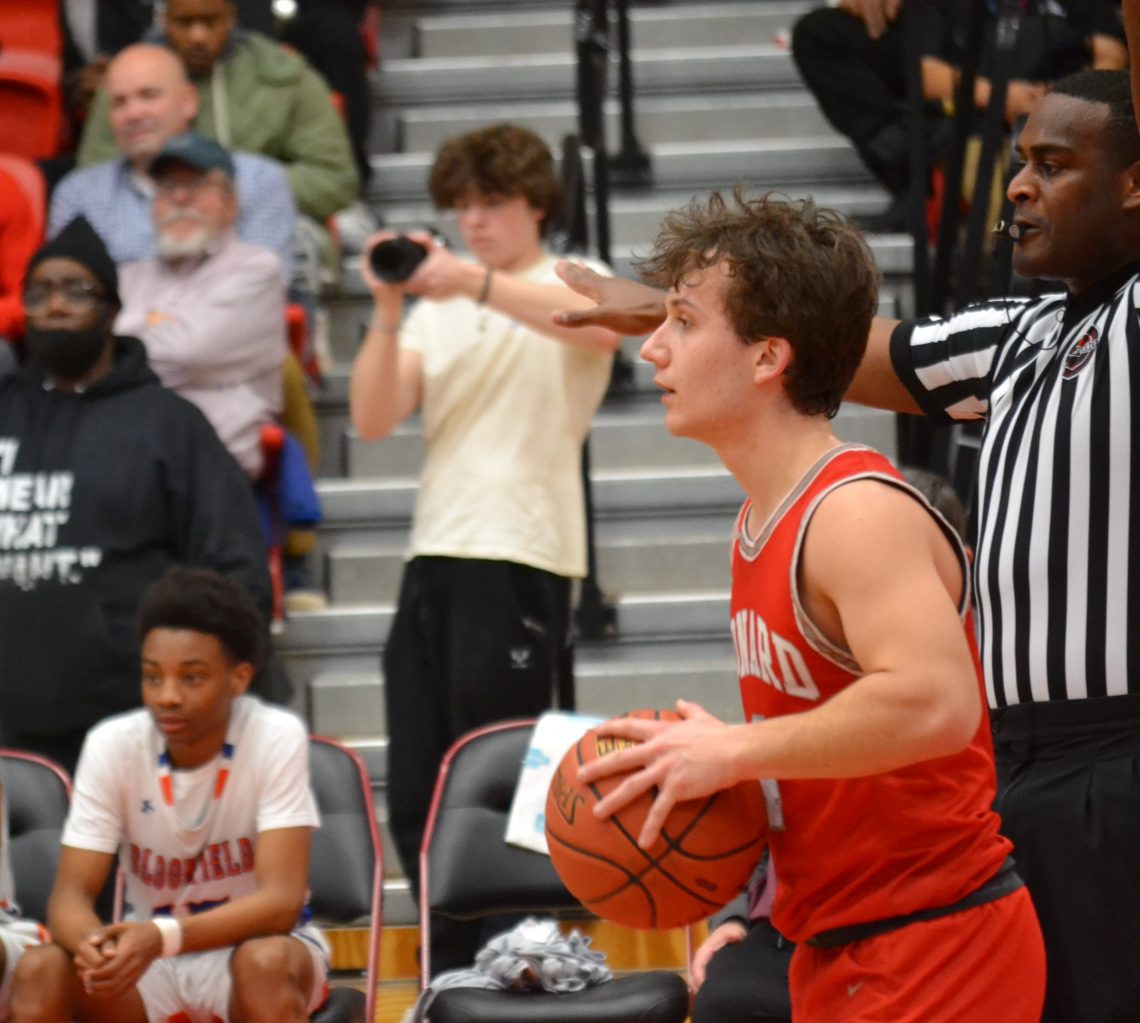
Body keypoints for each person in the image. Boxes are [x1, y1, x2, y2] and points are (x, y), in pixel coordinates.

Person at [554, 64, 1140, 1023]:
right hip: (997, 783)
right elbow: (827, 338)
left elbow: (931, 700)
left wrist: (736, 751)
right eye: (1019, 160)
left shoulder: (858, 509)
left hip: (1112, 746)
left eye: (1053, 162)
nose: (1018, 185)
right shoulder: (1017, 336)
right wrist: (666, 306)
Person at [348, 123, 622, 971]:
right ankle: (446, 967)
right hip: (436, 549)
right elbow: (372, 417)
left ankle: (516, 962)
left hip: (524, 552)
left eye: (491, 203)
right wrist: (392, 307)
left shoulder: (573, 279)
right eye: (461, 206)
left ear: (536, 203)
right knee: (422, 776)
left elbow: (600, 326)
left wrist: (468, 279)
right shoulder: (440, 303)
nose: (473, 221)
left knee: (500, 775)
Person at [0, 214, 283, 774]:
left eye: (75, 290)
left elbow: (235, 573)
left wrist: (208, 699)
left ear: (111, 310)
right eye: (39, 292)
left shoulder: (168, 424)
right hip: (10, 737)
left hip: (140, 732)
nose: (55, 305)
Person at [7, 565, 329, 1023]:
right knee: (42, 967)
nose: (167, 696)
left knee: (265, 963)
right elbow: (69, 898)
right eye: (153, 676)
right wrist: (93, 947)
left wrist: (163, 937)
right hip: (151, 956)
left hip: (251, 949)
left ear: (239, 678)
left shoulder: (275, 735)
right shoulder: (113, 743)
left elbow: (281, 902)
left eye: (192, 677)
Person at [790, 0, 1121, 230]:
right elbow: (928, 73)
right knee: (817, 31)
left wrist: (1057, 105)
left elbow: (1111, 57)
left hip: (1061, 118)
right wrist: (1004, 97)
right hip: (971, 128)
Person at [75, 0, 359, 230]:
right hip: (151, 227)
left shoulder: (284, 76)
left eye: (211, 21)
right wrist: (170, 199)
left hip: (259, 221)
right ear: (164, 19)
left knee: (302, 239)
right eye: (184, 23)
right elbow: (93, 180)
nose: (198, 36)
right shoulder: (128, 80)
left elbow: (335, 179)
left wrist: (227, 189)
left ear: (232, 17)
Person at [115, 132, 286, 479]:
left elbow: (188, 353)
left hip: (214, 472)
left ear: (230, 203)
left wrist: (119, 348)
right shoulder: (126, 278)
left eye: (196, 184)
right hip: (125, 465)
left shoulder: (257, 269)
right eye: (165, 187)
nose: (179, 197)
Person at [50, 44, 295, 278]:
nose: (133, 114)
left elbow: (264, 286)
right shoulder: (78, 194)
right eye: (119, 103)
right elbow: (69, 298)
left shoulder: (257, 180)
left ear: (188, 101)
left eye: (148, 96)